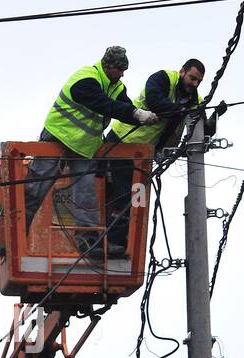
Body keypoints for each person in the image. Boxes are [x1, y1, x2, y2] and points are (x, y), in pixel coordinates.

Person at [22, 46, 158, 259]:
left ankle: (89, 243)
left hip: (83, 148)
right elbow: (104, 105)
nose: (122, 73)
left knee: (86, 194)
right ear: (107, 66)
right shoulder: (86, 78)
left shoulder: (115, 86)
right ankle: (17, 233)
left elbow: (123, 108)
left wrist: (143, 117)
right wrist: (135, 113)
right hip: (58, 136)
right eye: (119, 69)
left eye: (124, 69)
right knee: (36, 186)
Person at [103, 59, 206, 256]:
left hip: (144, 155)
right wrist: (180, 111)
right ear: (182, 71)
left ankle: (127, 244)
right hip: (123, 144)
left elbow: (199, 126)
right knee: (125, 194)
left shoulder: (194, 101)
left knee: (137, 199)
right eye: (192, 78)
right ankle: (114, 243)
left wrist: (210, 122)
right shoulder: (162, 78)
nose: (194, 84)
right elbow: (155, 101)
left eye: (199, 81)